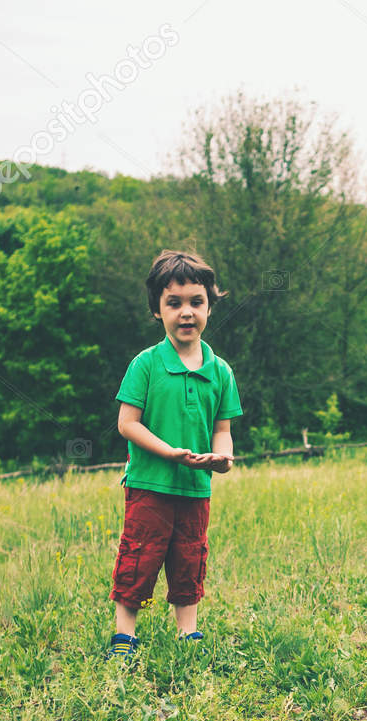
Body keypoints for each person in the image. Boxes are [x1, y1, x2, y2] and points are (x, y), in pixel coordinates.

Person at [106, 249, 241, 659]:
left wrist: (223, 459)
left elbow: (222, 431)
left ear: (210, 307)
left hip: (196, 487)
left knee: (190, 557)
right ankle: (124, 636)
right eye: (174, 303)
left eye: (196, 302)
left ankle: (188, 633)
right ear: (157, 311)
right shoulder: (145, 365)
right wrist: (170, 452)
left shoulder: (221, 371)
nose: (186, 312)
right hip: (150, 484)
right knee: (140, 556)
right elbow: (127, 423)